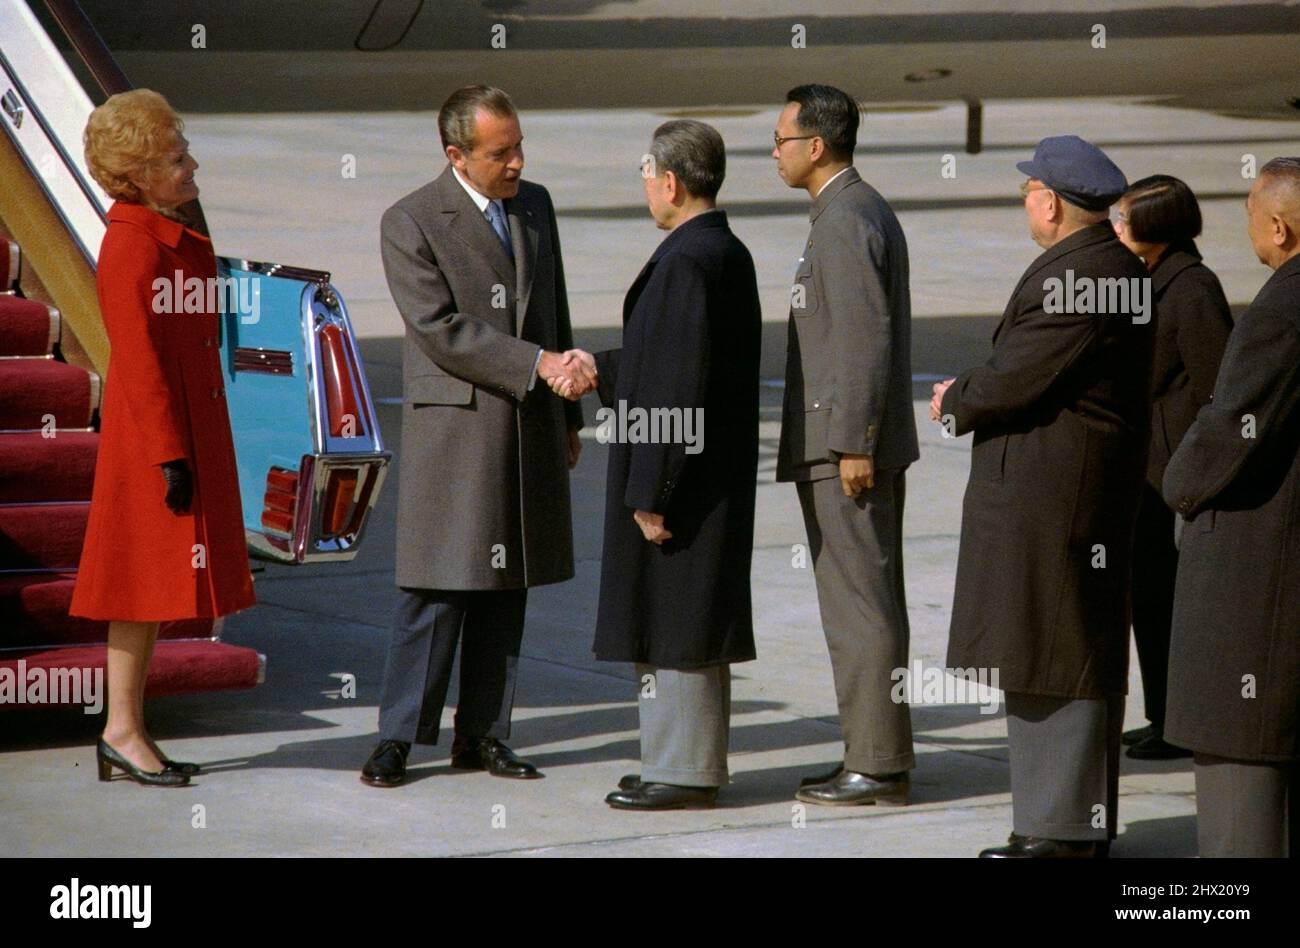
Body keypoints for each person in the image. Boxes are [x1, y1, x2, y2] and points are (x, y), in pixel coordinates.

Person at [362, 85, 595, 787]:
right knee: (437, 586)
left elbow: (552, 308)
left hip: (526, 420)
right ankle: (398, 737)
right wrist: (536, 364)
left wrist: (568, 415)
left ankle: (485, 733)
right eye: (501, 153)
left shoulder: (534, 205)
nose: (517, 162)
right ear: (456, 154)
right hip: (458, 429)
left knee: (506, 580)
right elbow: (438, 328)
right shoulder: (411, 220)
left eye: (520, 147)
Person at [931, 136, 1152, 857]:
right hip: (1064, 490)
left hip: (1060, 497)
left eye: (1030, 189)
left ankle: (1062, 830)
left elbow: (1019, 374)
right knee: (1051, 646)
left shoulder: (1083, 276)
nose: (1025, 198)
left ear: (1051, 203)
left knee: (1056, 650)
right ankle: (1060, 822)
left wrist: (956, 397)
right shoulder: (1103, 265)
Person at [573, 120, 761, 810]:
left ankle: (684, 772)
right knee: (674, 619)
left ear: (672, 182)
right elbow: (672, 360)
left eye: (648, 175)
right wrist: (602, 368)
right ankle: (672, 759)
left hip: (684, 483)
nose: (647, 188)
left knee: (678, 621)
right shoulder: (721, 250)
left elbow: (678, 388)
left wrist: (652, 491)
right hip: (705, 474)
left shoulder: (686, 261)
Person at [72, 89, 256, 787]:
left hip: (179, 430)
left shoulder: (160, 232)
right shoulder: (130, 243)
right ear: (141, 174)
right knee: (136, 588)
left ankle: (125, 729)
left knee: (146, 590)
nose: (192, 166)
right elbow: (138, 358)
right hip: (155, 441)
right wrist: (168, 455)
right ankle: (121, 731)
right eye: (177, 159)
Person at [772, 84, 919, 806]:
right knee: (867, 600)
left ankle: (877, 765)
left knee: (860, 606)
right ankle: (875, 753)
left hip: (845, 451)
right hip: (845, 443)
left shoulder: (845, 220)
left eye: (781, 141)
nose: (775, 153)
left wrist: (854, 442)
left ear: (816, 145)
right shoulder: (851, 210)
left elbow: (864, 336)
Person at [1162, 157, 1300, 857]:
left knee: (1240, 783)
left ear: (1278, 228)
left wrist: (1179, 487)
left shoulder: (1281, 308)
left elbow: (1231, 425)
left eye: (1249, 215)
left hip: (1258, 570)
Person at [1113, 175, 1232, 761]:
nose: (1116, 227)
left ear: (1156, 227)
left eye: (1125, 218)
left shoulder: (1192, 289)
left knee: (1172, 603)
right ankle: (1163, 714)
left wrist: (1195, 469)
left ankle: (1181, 724)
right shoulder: (1150, 279)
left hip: (1175, 478)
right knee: (1150, 600)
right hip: (1148, 476)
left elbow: (1220, 390)